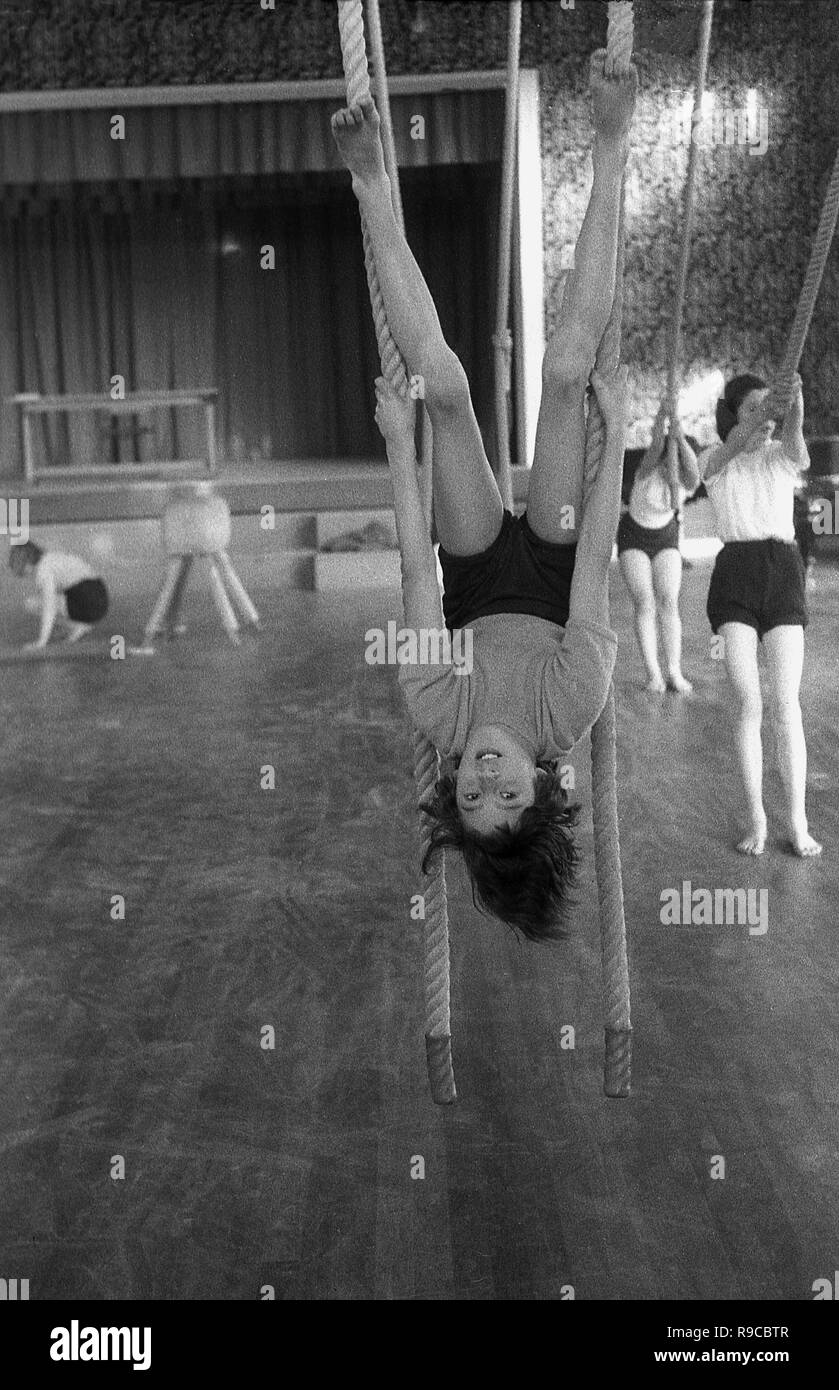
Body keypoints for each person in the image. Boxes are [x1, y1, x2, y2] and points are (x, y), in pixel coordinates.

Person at [332, 50, 638, 939]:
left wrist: (400, 446)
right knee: (570, 371)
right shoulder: (570, 703)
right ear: (547, 785)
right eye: (508, 790)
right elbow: (591, 559)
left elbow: (416, 576)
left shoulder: (436, 712)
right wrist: (614, 439)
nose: (485, 774)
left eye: (472, 793)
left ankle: (371, 188)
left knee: (444, 389)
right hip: (550, 561)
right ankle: (612, 144)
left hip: (466, 569)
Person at [699, 372, 821, 857]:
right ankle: (757, 819)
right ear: (732, 414)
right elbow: (734, 444)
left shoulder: (780, 458)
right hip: (736, 574)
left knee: (785, 702)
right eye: (751, 408)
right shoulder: (716, 461)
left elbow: (796, 445)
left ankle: (797, 821)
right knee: (749, 700)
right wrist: (762, 411)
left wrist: (796, 405)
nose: (763, 417)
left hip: (782, 570)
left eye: (766, 408)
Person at [617, 405, 699, 692]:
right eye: (667, 460)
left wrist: (682, 440)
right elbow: (655, 447)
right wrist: (664, 419)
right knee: (644, 601)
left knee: (668, 601)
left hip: (665, 539)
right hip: (634, 537)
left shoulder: (685, 485)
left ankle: (674, 671)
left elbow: (694, 472)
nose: (668, 466)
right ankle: (653, 673)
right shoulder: (646, 472)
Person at [8, 540, 109, 651]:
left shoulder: (43, 570)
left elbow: (49, 607)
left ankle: (79, 626)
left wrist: (41, 642)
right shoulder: (49, 558)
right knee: (43, 599)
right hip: (99, 598)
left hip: (90, 600)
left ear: (26, 562)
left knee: (31, 604)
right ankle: (78, 625)